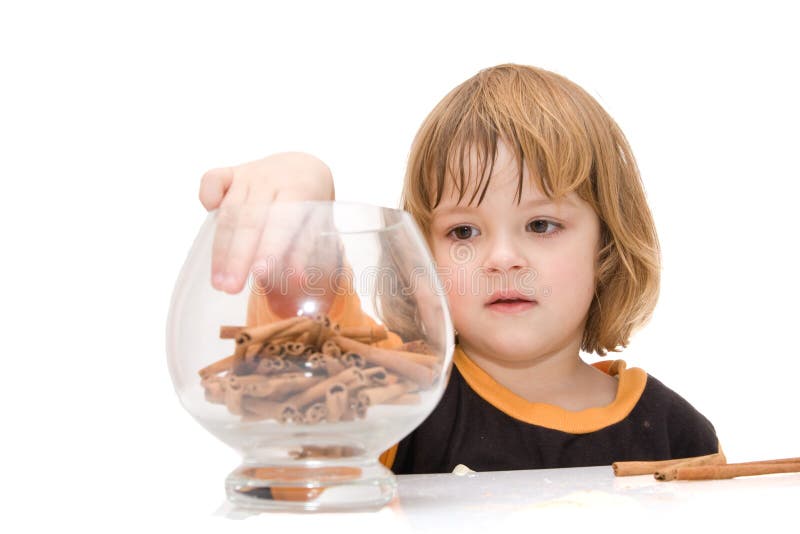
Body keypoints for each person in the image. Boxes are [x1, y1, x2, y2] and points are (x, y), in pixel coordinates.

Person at [198, 64, 720, 474]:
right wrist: (304, 211)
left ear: (607, 244)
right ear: (420, 259)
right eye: (463, 232)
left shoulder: (679, 437)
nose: (500, 259)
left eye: (540, 225)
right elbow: (298, 376)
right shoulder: (396, 400)